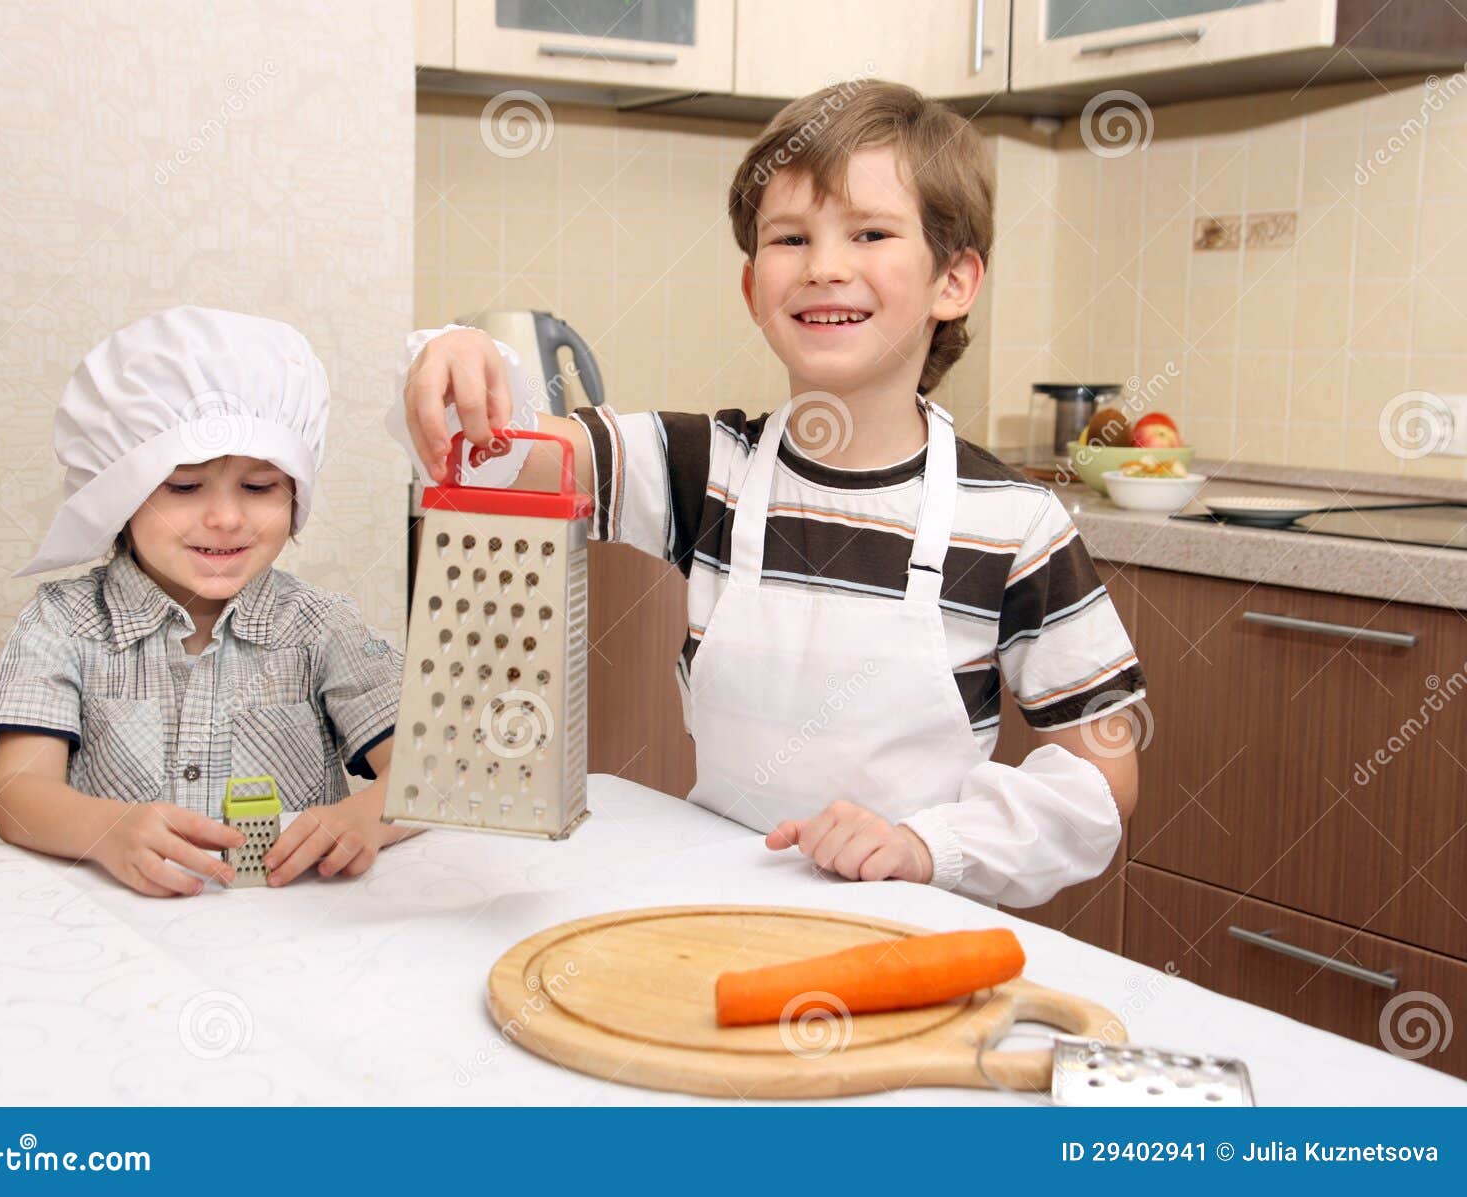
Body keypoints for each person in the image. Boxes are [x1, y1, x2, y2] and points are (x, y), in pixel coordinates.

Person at [393, 82, 1146, 909]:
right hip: (716, 910)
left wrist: (927, 844)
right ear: (755, 290)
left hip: (910, 935)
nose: (825, 266)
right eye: (791, 238)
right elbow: (501, 456)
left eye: (870, 232)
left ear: (954, 281)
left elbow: (1102, 777)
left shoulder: (1017, 524)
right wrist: (457, 360)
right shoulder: (706, 468)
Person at [0, 307, 413, 895]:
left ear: (295, 495)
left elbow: (427, 774)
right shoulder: (62, 622)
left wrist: (367, 816)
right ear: (118, 492)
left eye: (258, 486)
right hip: (124, 940)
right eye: (184, 487)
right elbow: (17, 794)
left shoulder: (320, 626)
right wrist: (109, 830)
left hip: (288, 935)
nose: (225, 518)